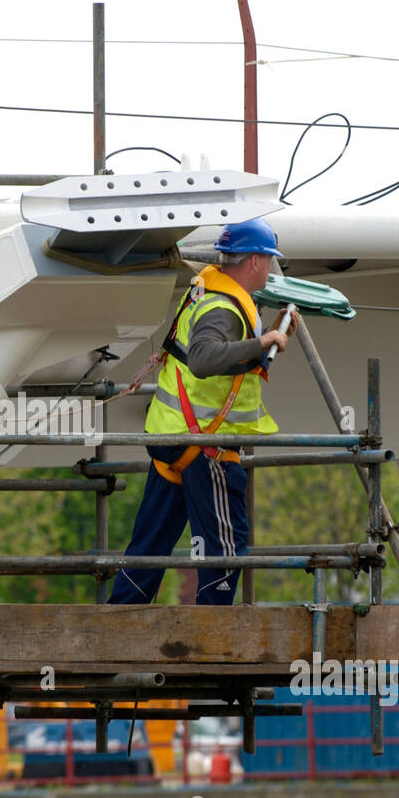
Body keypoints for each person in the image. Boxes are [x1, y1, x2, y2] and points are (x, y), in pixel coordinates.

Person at [108, 217, 299, 606]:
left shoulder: (208, 292)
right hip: (202, 444)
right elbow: (203, 359)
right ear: (256, 262)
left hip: (174, 438)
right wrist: (262, 339)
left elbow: (226, 368)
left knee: (151, 541)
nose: (271, 268)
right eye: (269, 259)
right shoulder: (223, 307)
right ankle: (215, 636)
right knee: (224, 543)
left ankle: (118, 620)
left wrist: (266, 347)